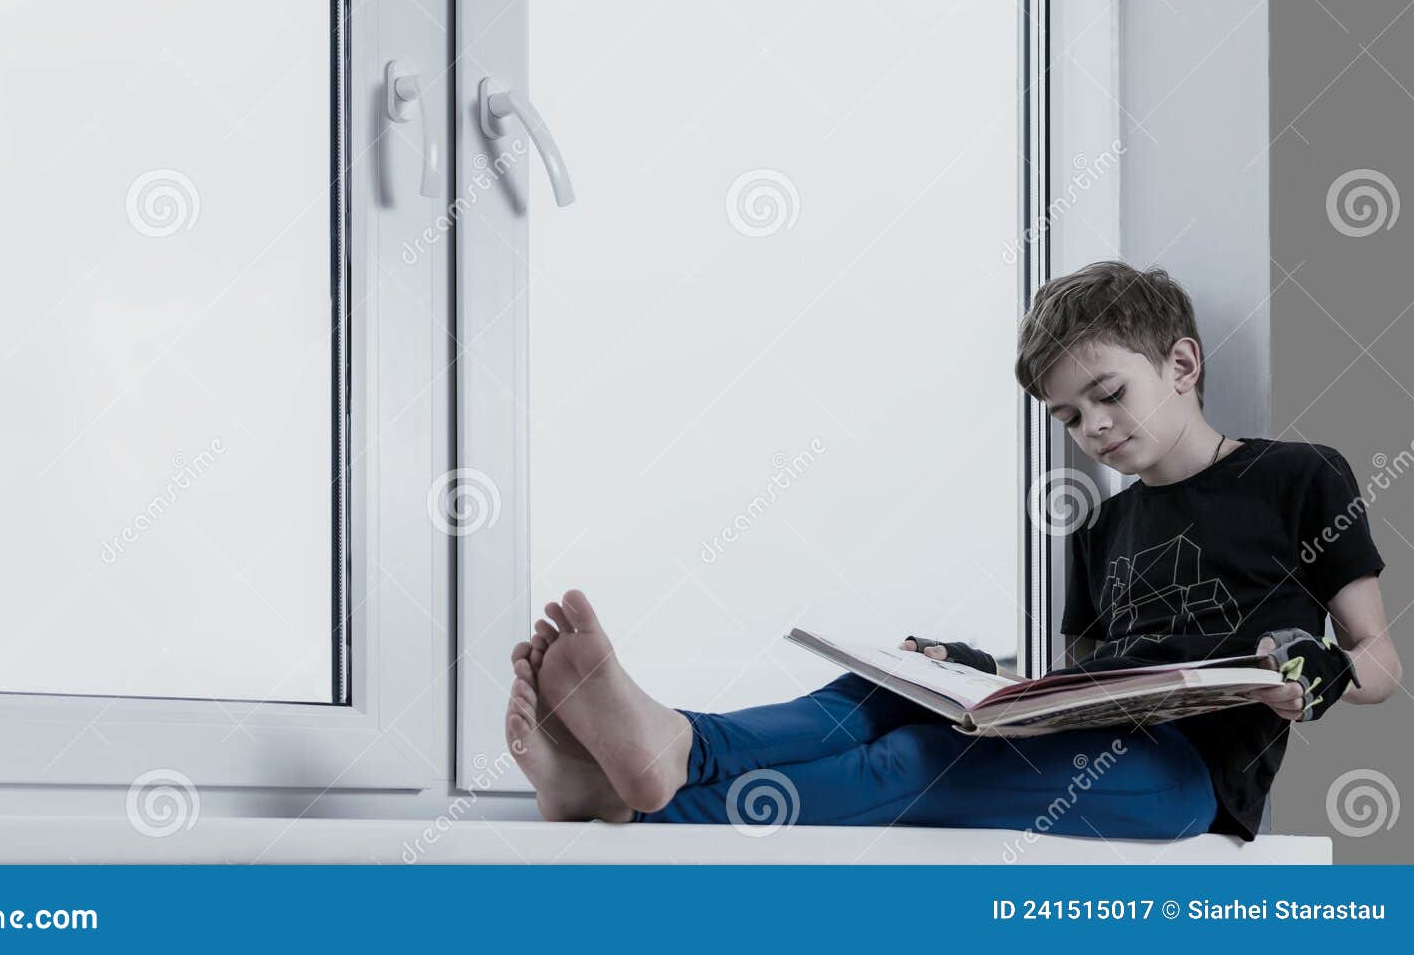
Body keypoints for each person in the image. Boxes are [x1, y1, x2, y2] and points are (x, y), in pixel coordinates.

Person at [504, 262, 1402, 840]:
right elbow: (1083, 681)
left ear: (1182, 363)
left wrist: (1324, 673)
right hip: (1103, 733)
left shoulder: (1298, 477)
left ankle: (657, 784)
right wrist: (976, 673)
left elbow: (1380, 659)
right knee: (880, 688)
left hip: (1188, 777)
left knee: (915, 764)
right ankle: (659, 758)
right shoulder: (1100, 526)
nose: (1092, 427)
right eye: (1067, 416)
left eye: (1106, 394)